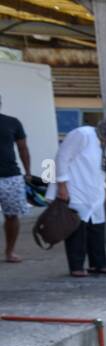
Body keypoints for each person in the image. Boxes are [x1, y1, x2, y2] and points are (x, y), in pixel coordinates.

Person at [47, 117, 106, 276]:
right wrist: (62, 186)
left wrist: (103, 191)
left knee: (97, 228)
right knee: (76, 228)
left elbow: (100, 169)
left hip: (94, 191)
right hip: (75, 188)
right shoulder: (83, 134)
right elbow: (62, 158)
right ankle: (76, 266)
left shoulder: (104, 144)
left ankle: (99, 264)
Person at [1, 94, 32, 263]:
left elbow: (23, 149)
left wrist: (27, 172)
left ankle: (9, 251)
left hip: (10, 176)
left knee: (12, 216)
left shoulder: (13, 122)